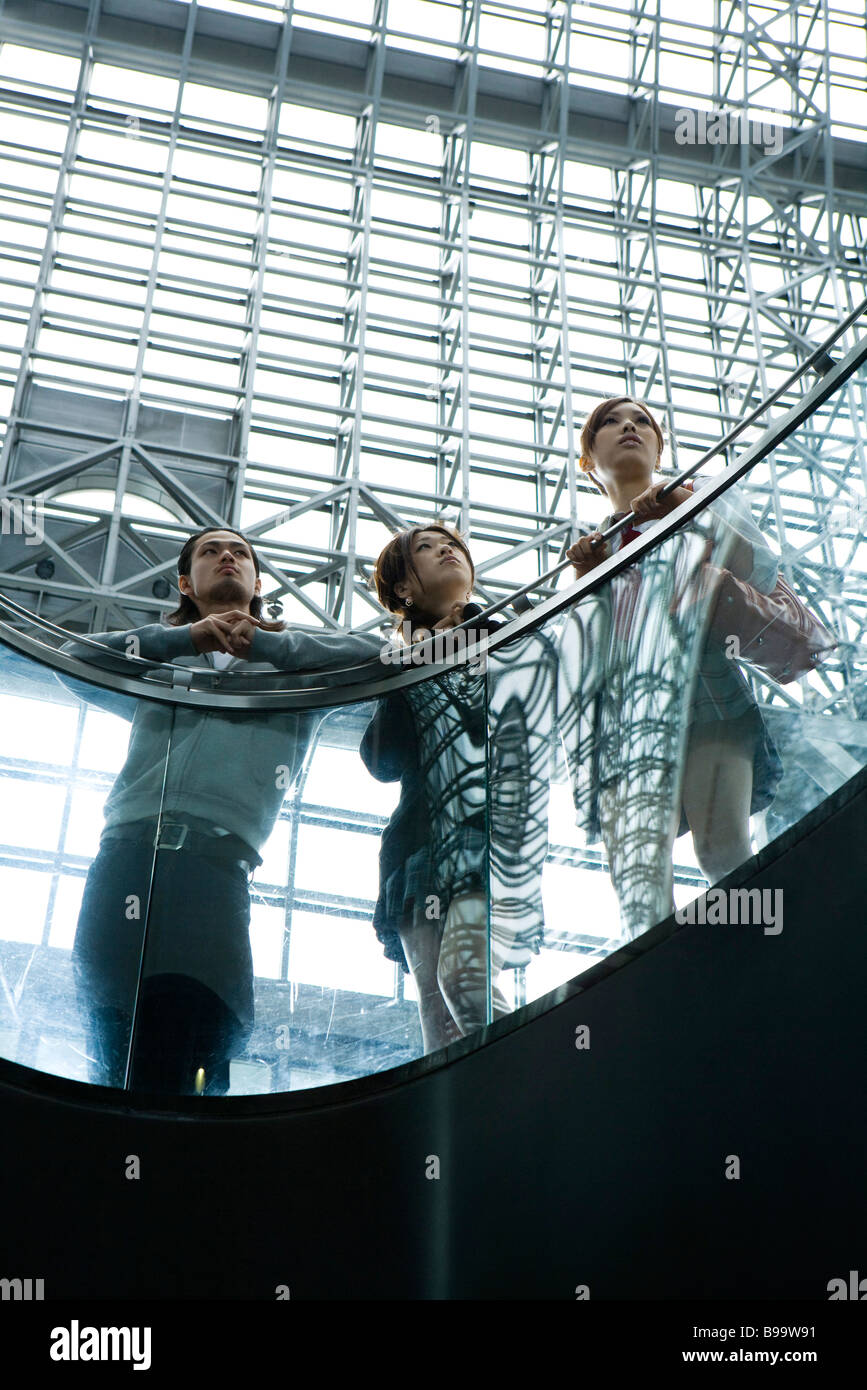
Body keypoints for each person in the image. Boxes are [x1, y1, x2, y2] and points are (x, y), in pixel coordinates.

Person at [60, 526, 381, 1095]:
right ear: (187, 582)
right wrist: (182, 640)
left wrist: (269, 645)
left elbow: (380, 659)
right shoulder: (162, 666)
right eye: (211, 551)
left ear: (257, 583)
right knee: (111, 1042)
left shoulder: (295, 672)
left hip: (216, 874)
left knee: (195, 1041)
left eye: (241, 553)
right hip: (125, 862)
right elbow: (72, 658)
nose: (228, 556)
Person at [560, 396, 783, 932]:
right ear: (588, 458)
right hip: (625, 719)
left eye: (642, 422)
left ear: (659, 447)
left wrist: (683, 507)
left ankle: (755, 972)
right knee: (640, 886)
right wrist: (583, 583)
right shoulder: (592, 550)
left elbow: (763, 569)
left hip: (704, 692)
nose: (629, 427)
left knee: (723, 850)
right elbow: (580, 661)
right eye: (610, 422)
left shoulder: (696, 496)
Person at [362, 523, 552, 1052]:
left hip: (482, 831)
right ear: (403, 588)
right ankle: (475, 1119)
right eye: (426, 547)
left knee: (463, 983)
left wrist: (464, 636)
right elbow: (383, 760)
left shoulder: (505, 633)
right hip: (416, 842)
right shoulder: (400, 663)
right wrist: (415, 660)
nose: (447, 548)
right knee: (435, 1010)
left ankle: (531, 1093)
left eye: (454, 546)